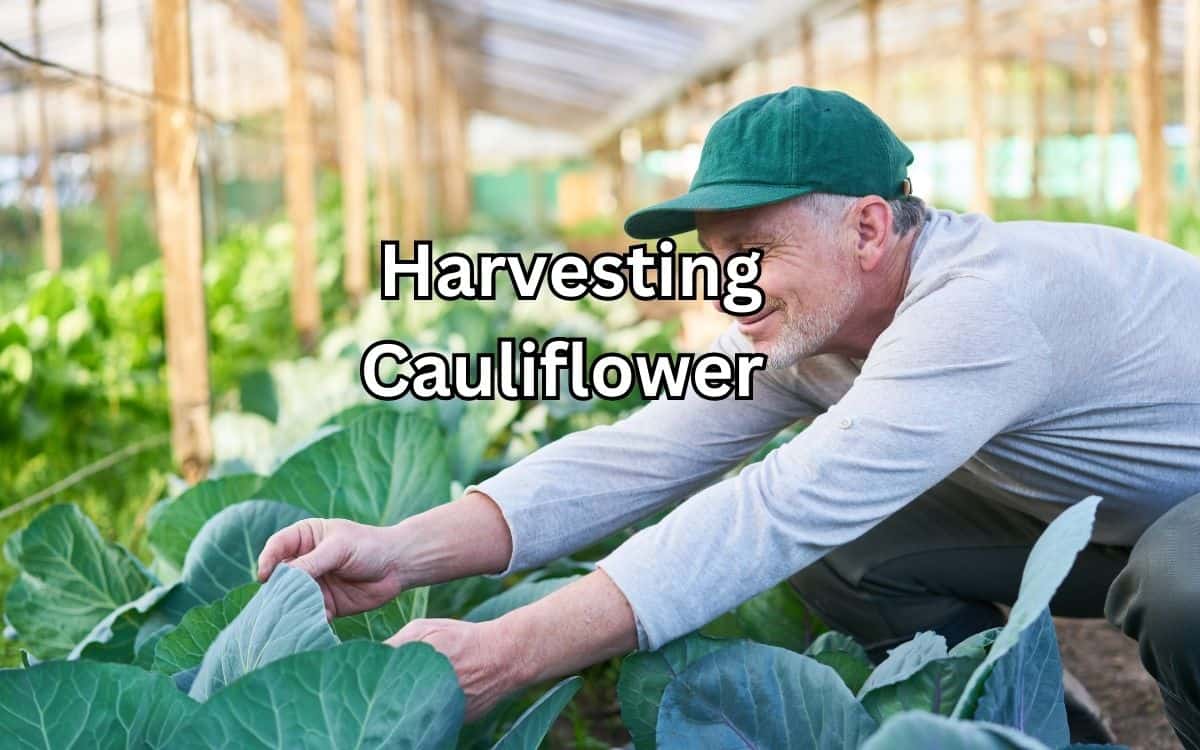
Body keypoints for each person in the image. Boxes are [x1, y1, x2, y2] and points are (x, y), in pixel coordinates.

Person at [258, 87, 1200, 747]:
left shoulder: (983, 306)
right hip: (1106, 514)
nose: (728, 285)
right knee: (851, 554)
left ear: (868, 230)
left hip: (1177, 524)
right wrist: (402, 549)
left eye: (753, 248)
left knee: (1183, 581)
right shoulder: (812, 324)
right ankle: (1038, 733)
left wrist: (501, 654)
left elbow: (776, 507)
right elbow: (636, 455)